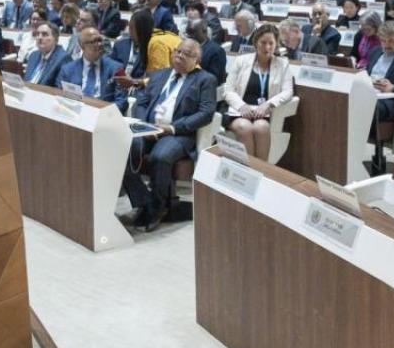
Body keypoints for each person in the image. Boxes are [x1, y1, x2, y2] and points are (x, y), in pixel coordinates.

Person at [122, 39, 217, 232]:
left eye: (186, 54)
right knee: (121, 148)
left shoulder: (205, 80)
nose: (180, 56)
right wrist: (143, 125)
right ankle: (145, 201)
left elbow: (206, 113)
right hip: (147, 129)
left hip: (178, 133)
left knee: (160, 156)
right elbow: (141, 101)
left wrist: (172, 128)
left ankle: (156, 209)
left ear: (197, 59)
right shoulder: (158, 75)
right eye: (177, 51)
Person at [224, 24, 295, 161]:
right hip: (239, 111)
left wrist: (269, 104)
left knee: (261, 128)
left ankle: (261, 172)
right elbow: (228, 89)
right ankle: (249, 172)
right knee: (244, 127)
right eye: (263, 43)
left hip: (263, 113)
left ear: (276, 45)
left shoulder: (283, 64)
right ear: (256, 42)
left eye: (271, 43)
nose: (267, 47)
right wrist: (241, 105)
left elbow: (288, 91)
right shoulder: (241, 61)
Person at [57, 26, 124, 107]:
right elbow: (62, 99)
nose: (99, 44)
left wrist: (104, 114)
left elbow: (122, 101)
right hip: (76, 114)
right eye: (94, 41)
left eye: (100, 40)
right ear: (82, 46)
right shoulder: (67, 70)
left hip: (103, 114)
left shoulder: (117, 68)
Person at [23, 21, 68, 86]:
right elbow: (26, 80)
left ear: (56, 39)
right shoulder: (33, 55)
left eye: (44, 34)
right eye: (37, 34)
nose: (39, 37)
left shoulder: (63, 59)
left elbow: (59, 90)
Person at [186, 18, 226, 85]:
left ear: (204, 31)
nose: (189, 35)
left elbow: (215, 79)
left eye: (193, 32)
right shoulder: (185, 48)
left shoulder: (216, 51)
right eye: (188, 32)